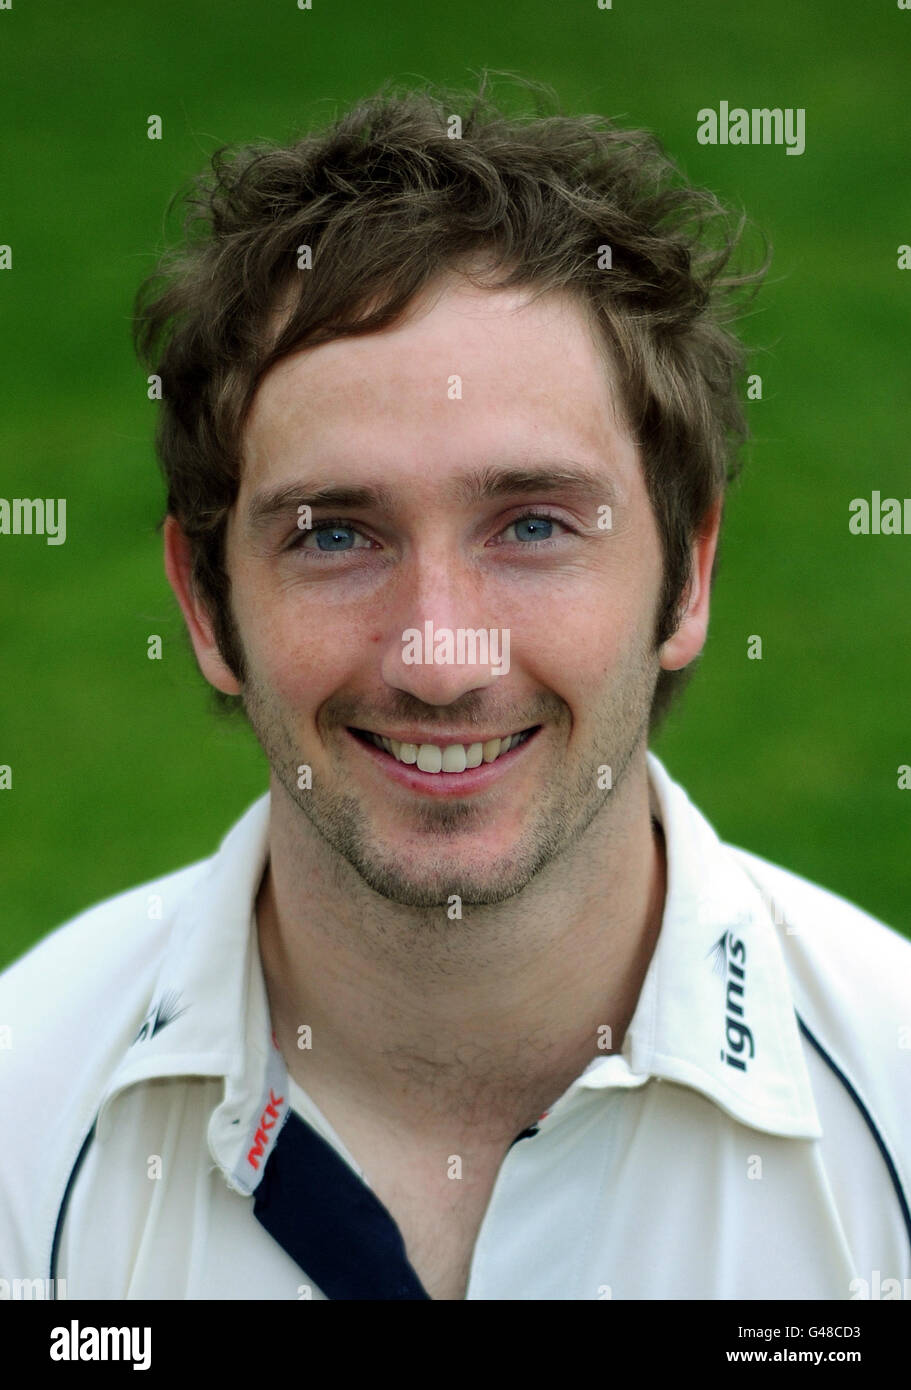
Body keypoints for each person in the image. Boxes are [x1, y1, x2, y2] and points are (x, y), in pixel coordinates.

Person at [2, 75, 909, 1302]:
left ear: (687, 575)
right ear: (206, 604)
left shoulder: (893, 1105)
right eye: (335, 535)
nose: (441, 656)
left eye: (531, 525)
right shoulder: (23, 1121)